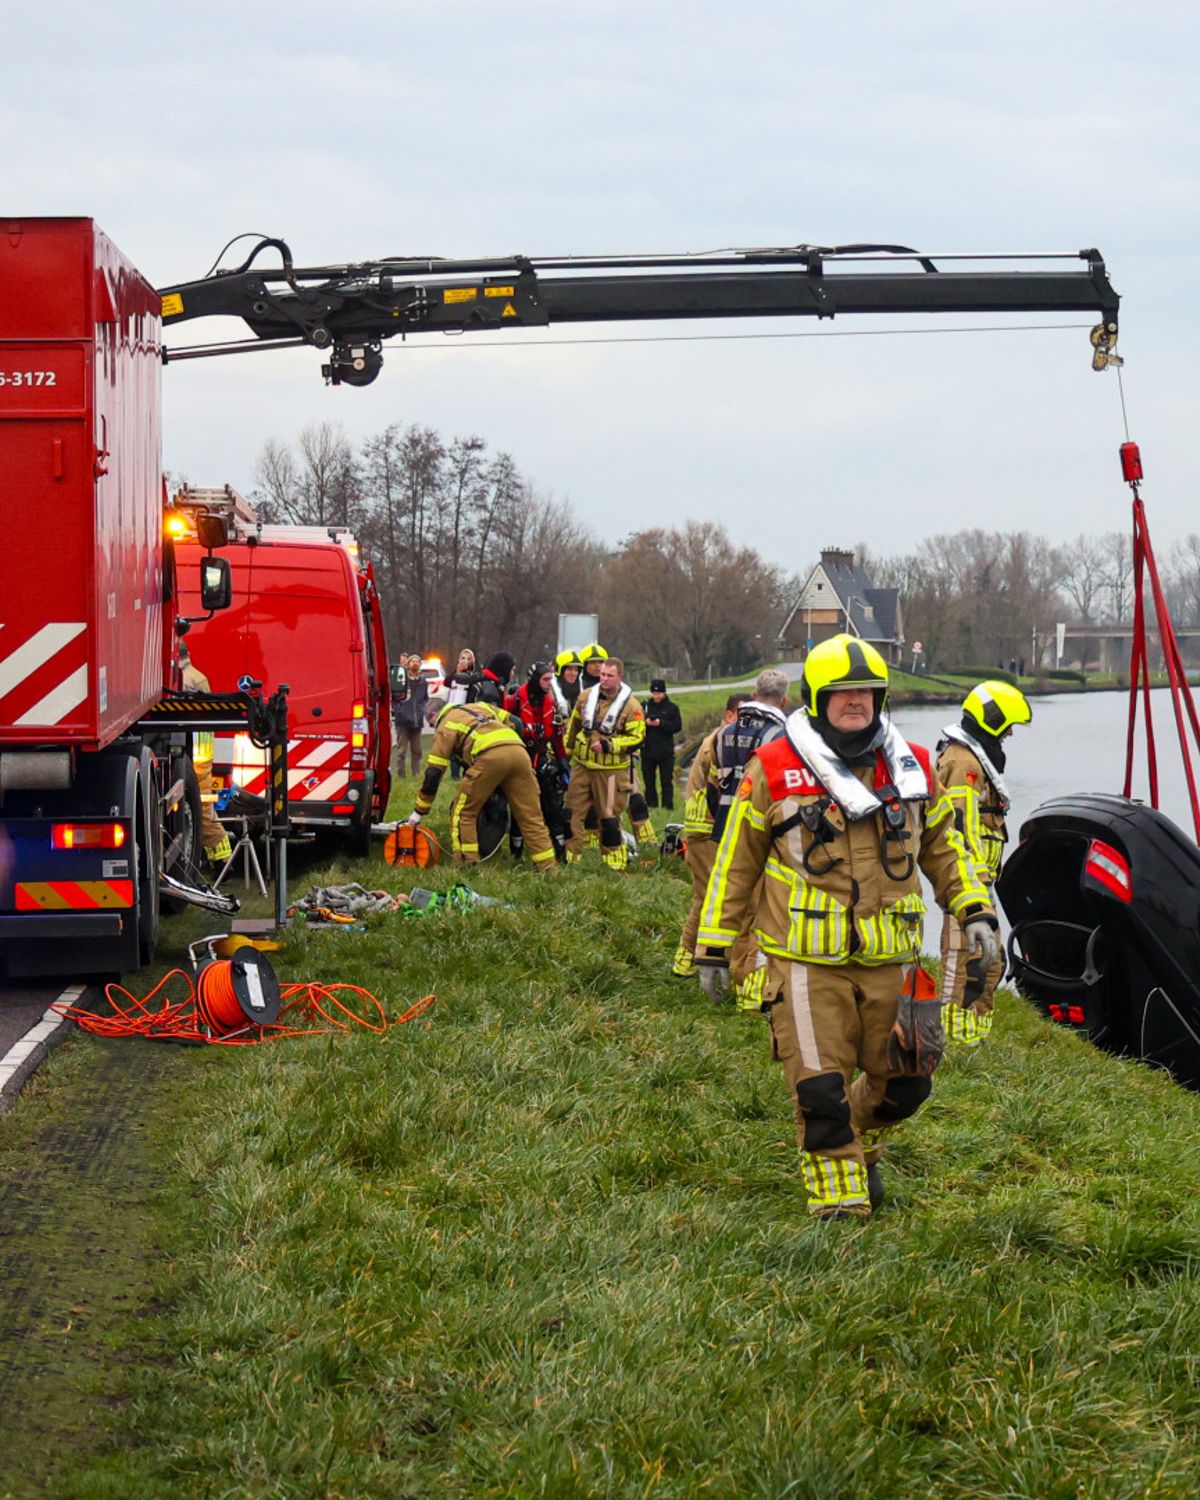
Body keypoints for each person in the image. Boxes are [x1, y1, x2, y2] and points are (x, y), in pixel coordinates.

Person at [696, 635, 998, 1220]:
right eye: (842, 693)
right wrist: (715, 946)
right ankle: (841, 1208)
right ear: (817, 699)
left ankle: (854, 1141)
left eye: (866, 691)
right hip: (807, 966)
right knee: (818, 1090)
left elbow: (946, 848)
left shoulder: (912, 765)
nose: (855, 701)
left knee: (909, 1082)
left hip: (896, 962)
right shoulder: (775, 767)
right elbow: (735, 864)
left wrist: (975, 909)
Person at [936, 681, 1032, 1045]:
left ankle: (972, 1040)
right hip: (967, 883)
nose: (1008, 733)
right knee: (965, 962)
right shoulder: (963, 764)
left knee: (989, 963)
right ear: (990, 719)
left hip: (980, 883)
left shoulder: (972, 759)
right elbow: (959, 828)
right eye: (1005, 725)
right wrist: (971, 880)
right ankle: (952, 1040)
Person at [703, 667, 790, 1009]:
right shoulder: (780, 735)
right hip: (757, 832)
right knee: (759, 913)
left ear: (754, 695)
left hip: (725, 825)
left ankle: (731, 975)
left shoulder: (723, 733)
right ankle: (750, 988)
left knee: (733, 907)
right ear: (783, 700)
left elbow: (713, 783)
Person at [407, 686, 556, 869]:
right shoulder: (482, 706)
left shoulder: (445, 725)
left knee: (463, 812)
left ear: (436, 713)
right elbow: (516, 723)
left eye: (431, 722)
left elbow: (434, 772)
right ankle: (548, 867)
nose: (433, 726)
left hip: (489, 757)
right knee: (531, 816)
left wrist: (419, 811)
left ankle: (466, 863)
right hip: (519, 752)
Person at [672, 692, 746, 978]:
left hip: (708, 826)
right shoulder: (718, 742)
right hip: (705, 828)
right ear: (728, 715)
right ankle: (687, 958)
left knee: (714, 896)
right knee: (707, 897)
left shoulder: (725, 740)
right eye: (741, 716)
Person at [563, 657, 645, 870]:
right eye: (602, 675)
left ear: (620, 677)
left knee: (608, 819)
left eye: (609, 675)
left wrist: (609, 745)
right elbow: (574, 725)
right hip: (582, 766)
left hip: (611, 771)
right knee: (571, 814)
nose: (604, 679)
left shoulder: (632, 707)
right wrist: (566, 750)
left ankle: (614, 865)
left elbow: (637, 738)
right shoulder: (585, 697)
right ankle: (571, 861)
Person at [177, 635, 233, 867]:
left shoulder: (181, 679)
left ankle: (221, 857)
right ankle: (219, 857)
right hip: (201, 752)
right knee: (202, 805)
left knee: (200, 806)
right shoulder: (199, 678)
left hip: (193, 752)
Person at [509, 661, 571, 861]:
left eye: (550, 680)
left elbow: (556, 735)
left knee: (552, 807)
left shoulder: (550, 703)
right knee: (520, 807)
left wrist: (562, 760)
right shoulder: (515, 700)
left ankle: (559, 851)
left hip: (542, 759)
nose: (548, 684)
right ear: (535, 679)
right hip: (520, 758)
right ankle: (516, 852)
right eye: (545, 679)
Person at [642, 678, 683, 810]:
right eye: (654, 694)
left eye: (659, 693)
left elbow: (677, 726)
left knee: (666, 781)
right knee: (649, 781)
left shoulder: (672, 708)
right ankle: (651, 805)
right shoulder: (645, 706)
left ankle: (667, 806)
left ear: (664, 693)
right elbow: (636, 722)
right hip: (648, 750)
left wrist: (661, 724)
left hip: (665, 751)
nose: (656, 696)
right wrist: (645, 723)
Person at [392, 653, 427, 776]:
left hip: (417, 721)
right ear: (408, 664)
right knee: (402, 750)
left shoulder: (423, 682)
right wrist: (400, 711)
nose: (415, 663)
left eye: (418, 661)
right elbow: (395, 699)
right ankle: (400, 773)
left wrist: (422, 710)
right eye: (413, 661)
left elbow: (425, 699)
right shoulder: (402, 680)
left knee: (417, 750)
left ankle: (415, 773)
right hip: (403, 721)